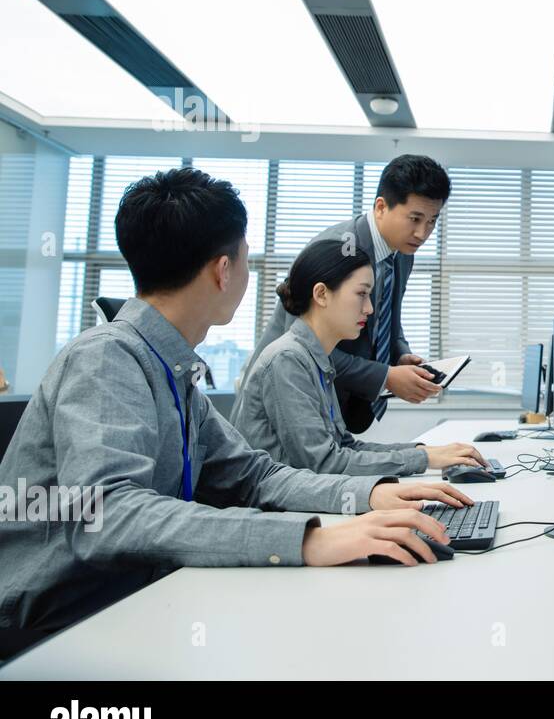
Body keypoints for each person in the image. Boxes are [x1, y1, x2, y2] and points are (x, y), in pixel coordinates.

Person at [0, 167, 470, 639]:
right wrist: (308, 540)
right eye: (246, 258)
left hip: (134, 598)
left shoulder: (172, 370)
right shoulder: (106, 358)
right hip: (53, 624)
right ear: (223, 271)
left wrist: (368, 494)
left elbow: (253, 475)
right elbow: (109, 515)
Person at [232, 238, 488, 477]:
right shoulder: (288, 360)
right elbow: (325, 463)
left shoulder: (316, 358)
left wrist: (424, 452)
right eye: (361, 294)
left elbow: (345, 446)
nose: (370, 308)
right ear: (321, 294)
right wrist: (423, 459)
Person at [245, 154, 448, 433]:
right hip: (290, 396)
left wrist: (399, 354)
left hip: (341, 402)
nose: (423, 232)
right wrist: (386, 376)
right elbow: (307, 344)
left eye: (432, 221)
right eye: (415, 218)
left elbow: (388, 318)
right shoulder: (339, 249)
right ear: (380, 207)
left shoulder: (402, 254)